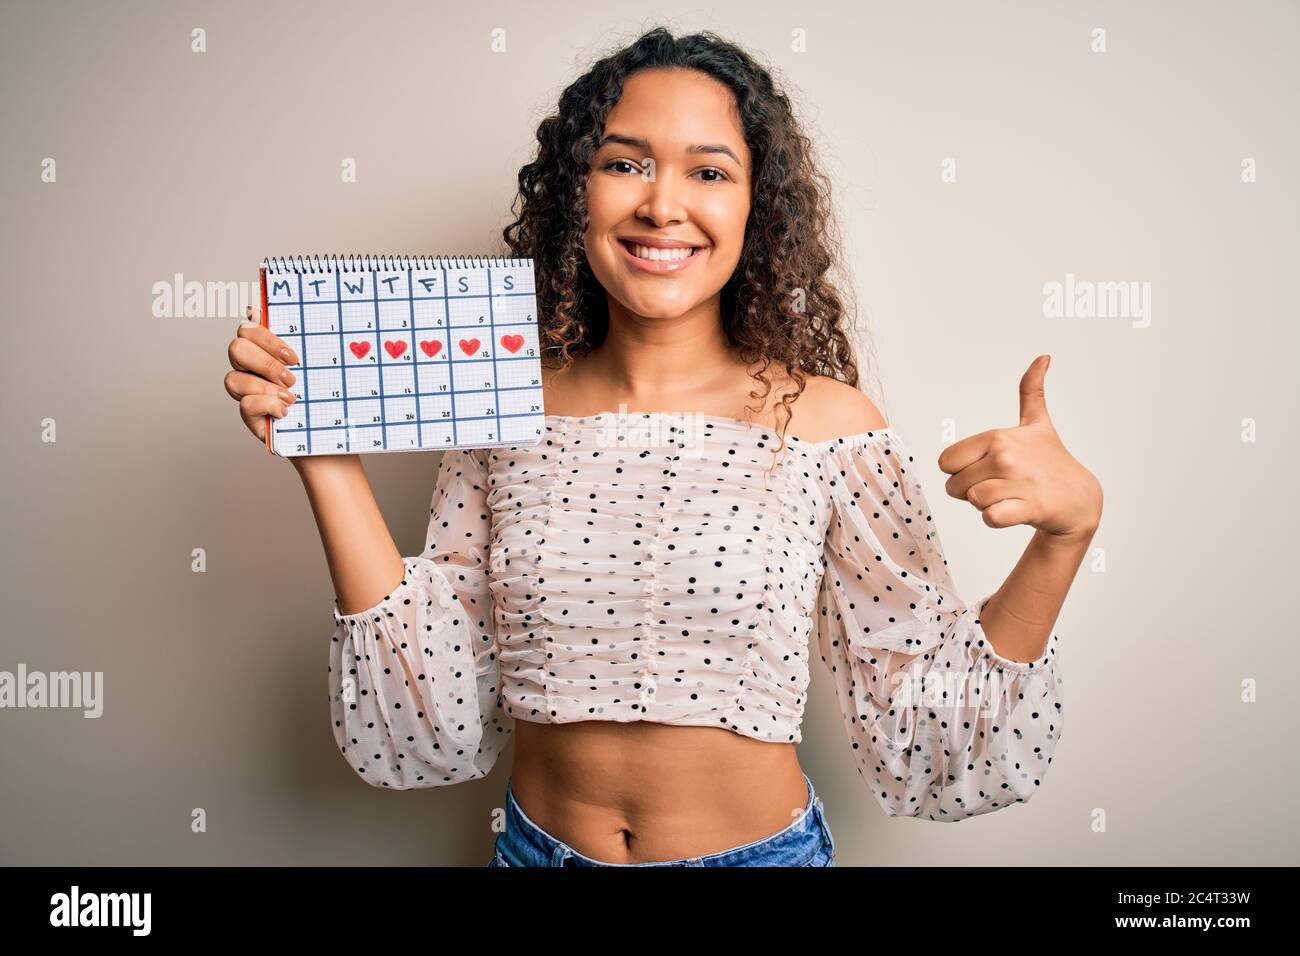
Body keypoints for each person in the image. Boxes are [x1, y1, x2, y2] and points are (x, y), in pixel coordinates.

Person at [223, 27, 1102, 867]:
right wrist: (323, 447)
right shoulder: (500, 409)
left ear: (758, 205)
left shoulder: (832, 424)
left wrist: (1065, 536)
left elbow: (923, 730)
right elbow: (431, 724)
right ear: (579, 193)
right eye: (623, 163)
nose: (662, 203)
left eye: (709, 171)